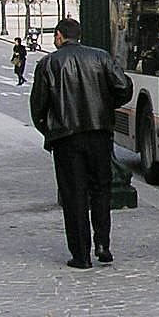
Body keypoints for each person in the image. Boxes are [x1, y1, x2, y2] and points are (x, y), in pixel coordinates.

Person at [29, 18, 133, 270]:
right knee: (101, 189)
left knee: (74, 194)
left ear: (59, 36)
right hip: (99, 133)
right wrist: (106, 108)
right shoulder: (100, 57)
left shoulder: (48, 64)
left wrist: (50, 129)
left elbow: (38, 106)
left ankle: (81, 254)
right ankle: (102, 244)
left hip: (66, 137)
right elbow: (124, 87)